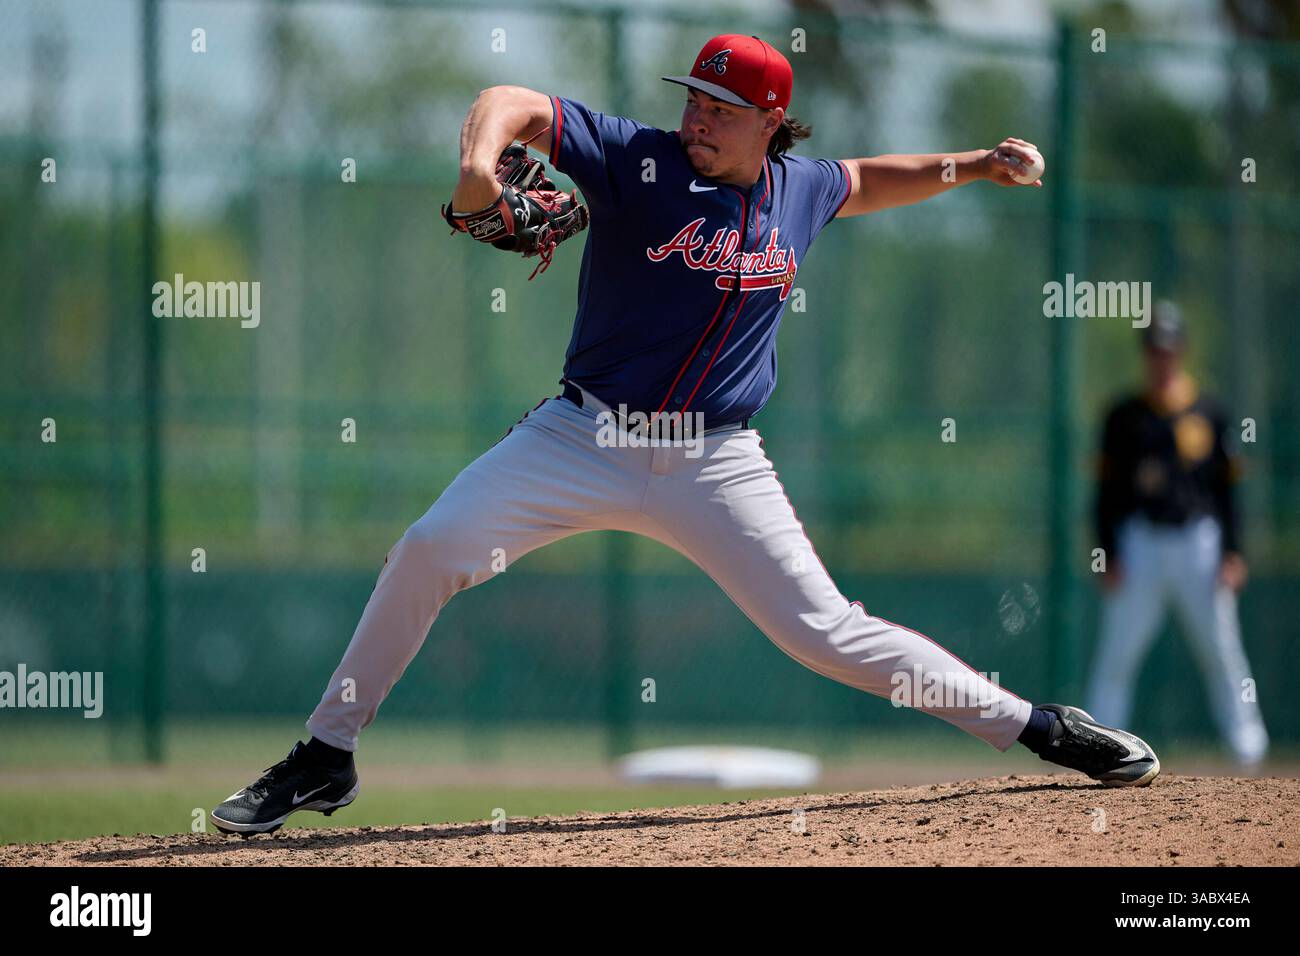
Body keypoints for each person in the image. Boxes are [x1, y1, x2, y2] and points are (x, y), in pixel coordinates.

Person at [212, 33, 1159, 836]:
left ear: (770, 122)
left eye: (720, 106)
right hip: (582, 439)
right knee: (427, 551)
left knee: (828, 635)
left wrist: (975, 166)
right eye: (694, 98)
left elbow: (869, 178)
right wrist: (475, 166)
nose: (696, 117)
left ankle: (1040, 728)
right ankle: (325, 753)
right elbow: (511, 100)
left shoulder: (801, 188)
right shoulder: (637, 160)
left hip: (717, 460)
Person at [1086, 301, 1268, 771]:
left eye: (1168, 347)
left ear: (1181, 349)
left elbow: (1229, 491)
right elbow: (1105, 494)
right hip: (1140, 544)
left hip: (1199, 545)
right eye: (1153, 348)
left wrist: (1233, 551)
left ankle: (1247, 748)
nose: (1160, 357)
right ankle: (1101, 747)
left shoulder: (1210, 411)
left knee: (1221, 650)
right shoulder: (1124, 416)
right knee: (1118, 653)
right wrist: (1105, 552)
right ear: (1145, 353)